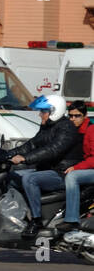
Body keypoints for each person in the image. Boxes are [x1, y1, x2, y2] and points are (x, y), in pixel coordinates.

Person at [5, 93, 82, 237]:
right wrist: (8, 153)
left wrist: (24, 158)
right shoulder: (47, 127)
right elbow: (32, 144)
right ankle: (19, 215)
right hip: (49, 169)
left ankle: (36, 220)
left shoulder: (67, 128)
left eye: (43, 111)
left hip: (61, 173)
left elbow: (52, 150)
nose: (40, 115)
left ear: (54, 111)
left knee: (29, 179)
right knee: (11, 176)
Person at [57, 100, 94, 235]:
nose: (73, 119)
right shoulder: (73, 130)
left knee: (72, 176)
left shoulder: (91, 130)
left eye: (77, 116)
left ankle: (72, 219)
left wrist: (76, 167)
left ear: (84, 116)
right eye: (70, 116)